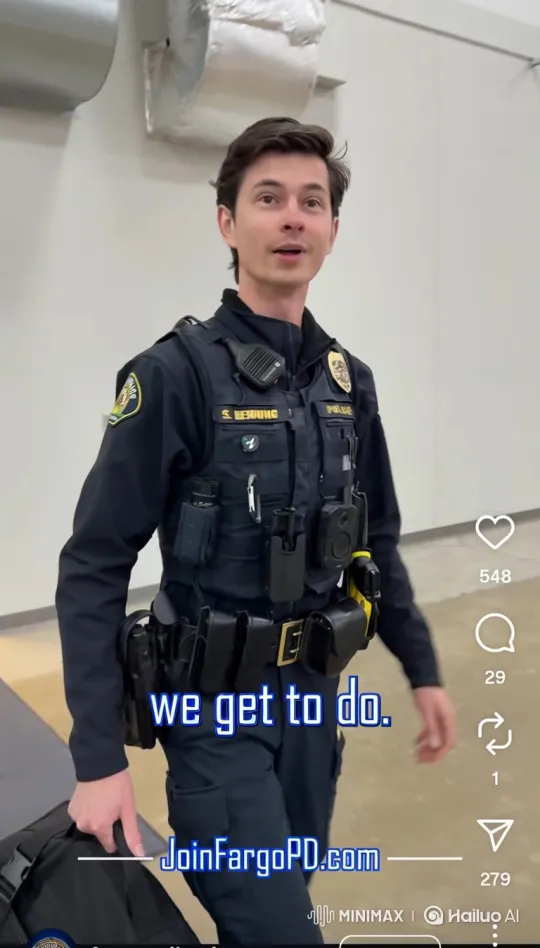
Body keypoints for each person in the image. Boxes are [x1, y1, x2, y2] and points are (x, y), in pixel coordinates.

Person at [56, 117, 456, 945]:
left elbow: (377, 539)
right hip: (214, 715)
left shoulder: (348, 383)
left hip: (313, 705)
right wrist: (98, 758)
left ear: (334, 230)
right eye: (268, 199)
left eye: (312, 202)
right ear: (227, 223)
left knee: (280, 907)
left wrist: (422, 668)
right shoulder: (174, 376)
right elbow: (94, 563)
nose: (292, 218)